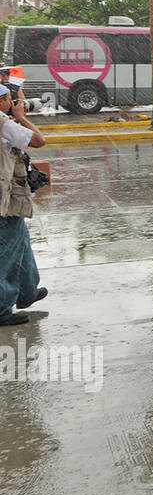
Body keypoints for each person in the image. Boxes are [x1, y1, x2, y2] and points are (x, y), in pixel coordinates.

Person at [0, 83, 46, 327]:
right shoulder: (4, 124)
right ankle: (1, 306)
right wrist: (21, 118)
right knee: (6, 253)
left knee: (21, 242)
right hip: (4, 200)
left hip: (8, 198)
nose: (14, 103)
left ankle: (27, 292)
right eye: (10, 99)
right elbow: (39, 140)